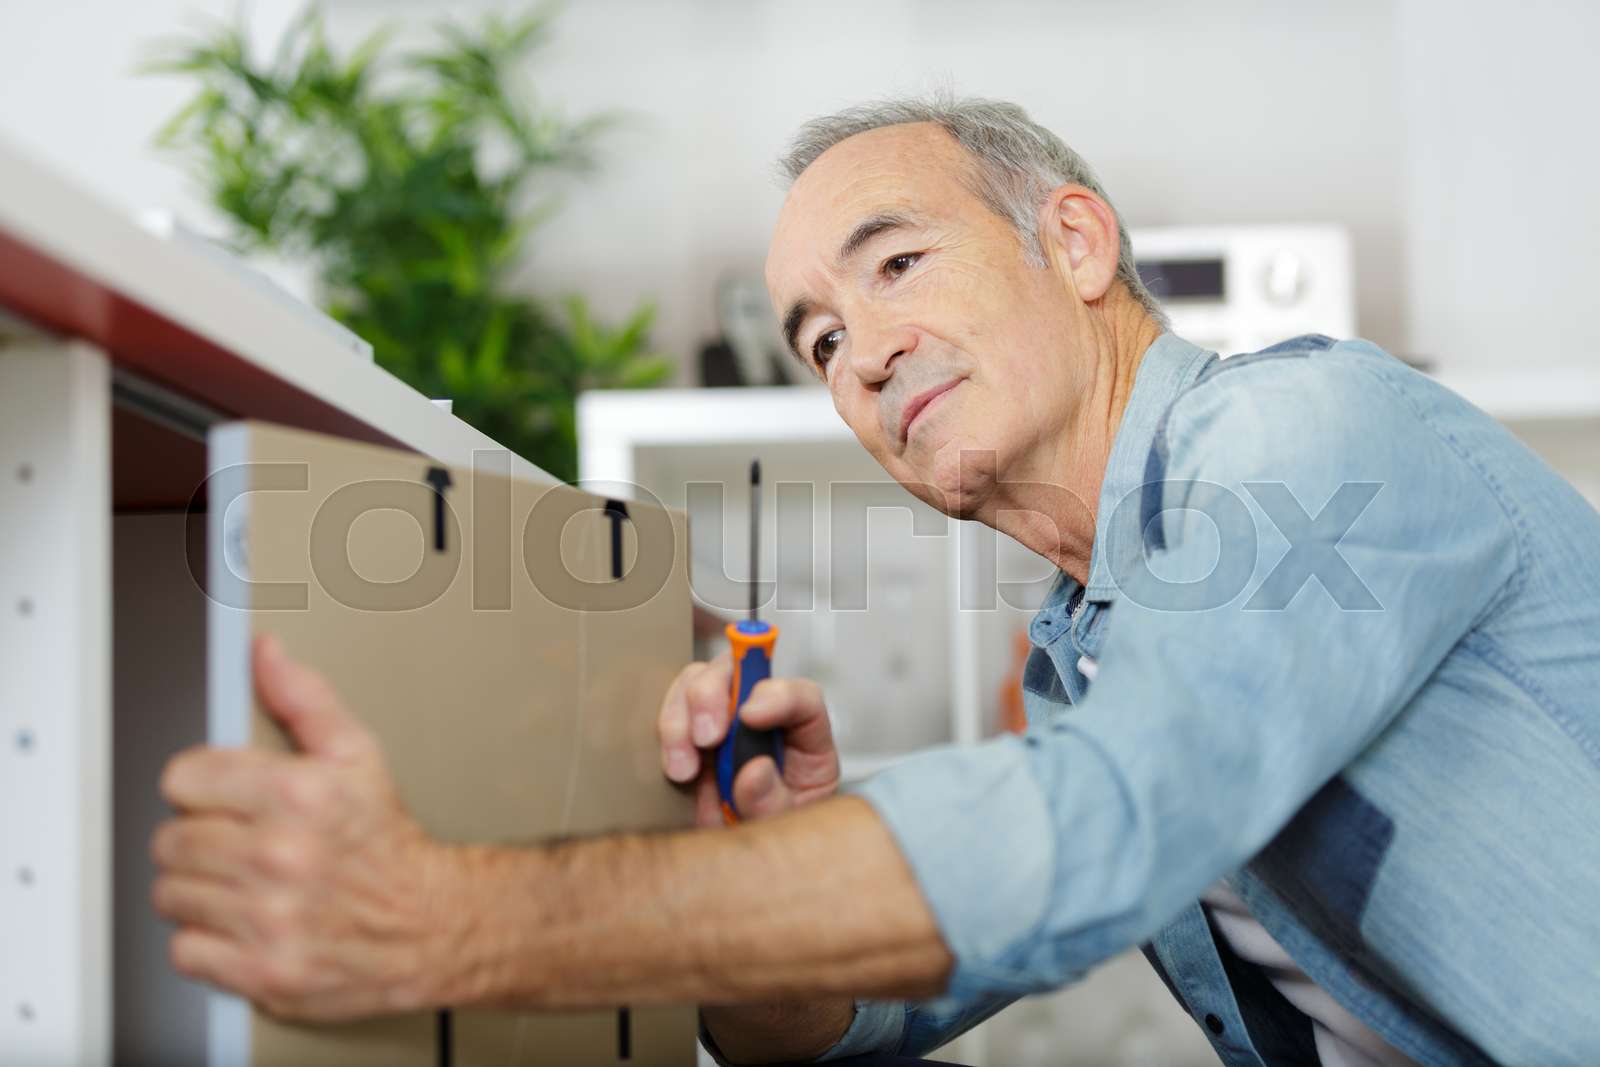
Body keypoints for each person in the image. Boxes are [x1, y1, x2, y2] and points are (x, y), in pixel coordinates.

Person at [151, 96, 1600, 1066]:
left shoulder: (1303, 430)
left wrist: (445, 918)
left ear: (1077, 244)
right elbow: (852, 1031)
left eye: (898, 264)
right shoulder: (1077, 653)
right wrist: (750, 847)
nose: (868, 350)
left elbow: (1088, 834)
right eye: (822, 341)